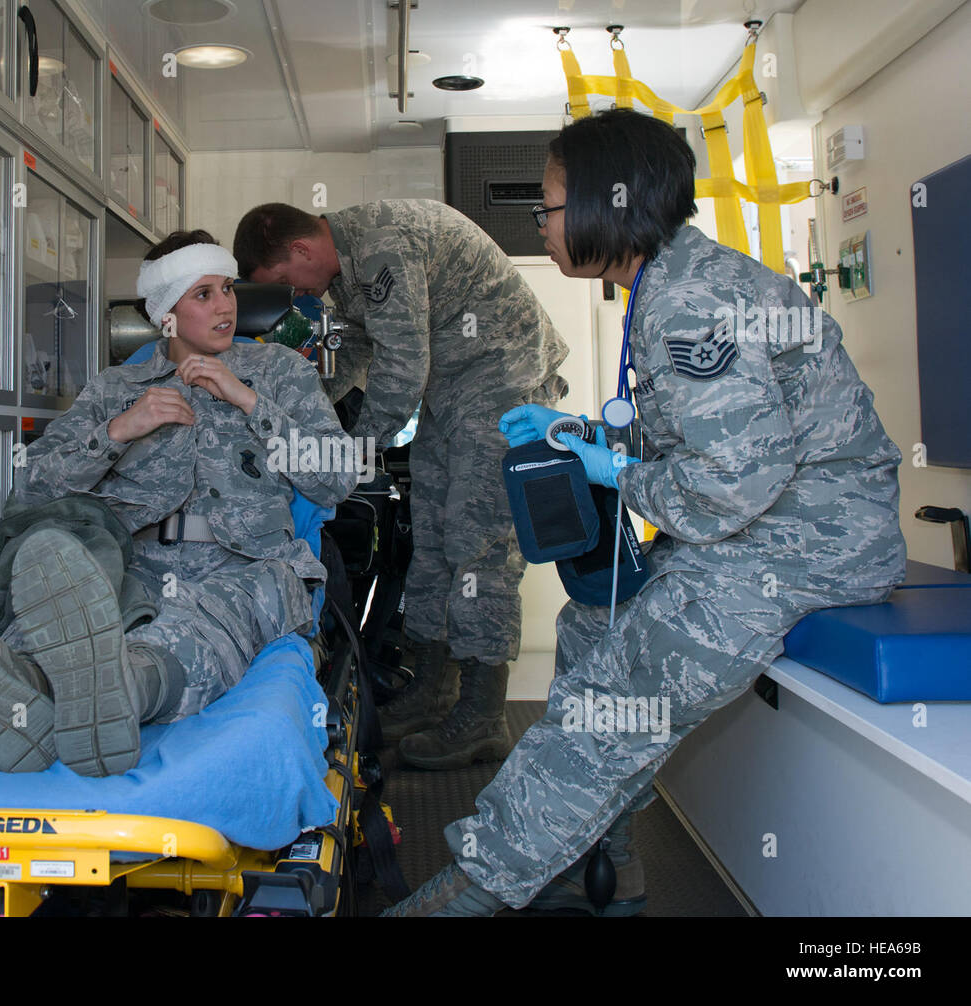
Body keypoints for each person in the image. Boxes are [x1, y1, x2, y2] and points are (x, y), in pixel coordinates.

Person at [385, 108, 906, 916]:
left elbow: (729, 485)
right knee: (589, 626)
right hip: (755, 530)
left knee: (611, 700)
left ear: (605, 203)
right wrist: (581, 435)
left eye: (549, 209)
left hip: (807, 545)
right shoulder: (665, 285)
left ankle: (472, 888)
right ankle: (603, 860)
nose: (544, 227)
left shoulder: (688, 302)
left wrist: (614, 470)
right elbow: (701, 447)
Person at [0, 230, 358, 777]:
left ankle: (121, 688)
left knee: (203, 624)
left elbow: (337, 478)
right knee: (66, 605)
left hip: (244, 567)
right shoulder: (114, 389)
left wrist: (247, 399)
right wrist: (119, 430)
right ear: (165, 315)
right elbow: (31, 489)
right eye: (204, 294)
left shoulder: (280, 373)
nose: (226, 306)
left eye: (227, 289)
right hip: (127, 564)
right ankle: (20, 691)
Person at [234, 199, 569, 769]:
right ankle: (431, 692)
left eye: (289, 282)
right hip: (455, 390)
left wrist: (356, 451)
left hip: (501, 386)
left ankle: (482, 716)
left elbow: (404, 367)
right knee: (433, 541)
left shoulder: (383, 243)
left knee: (478, 545)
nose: (299, 297)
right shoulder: (345, 269)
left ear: (301, 251)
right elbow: (365, 350)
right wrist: (308, 414)